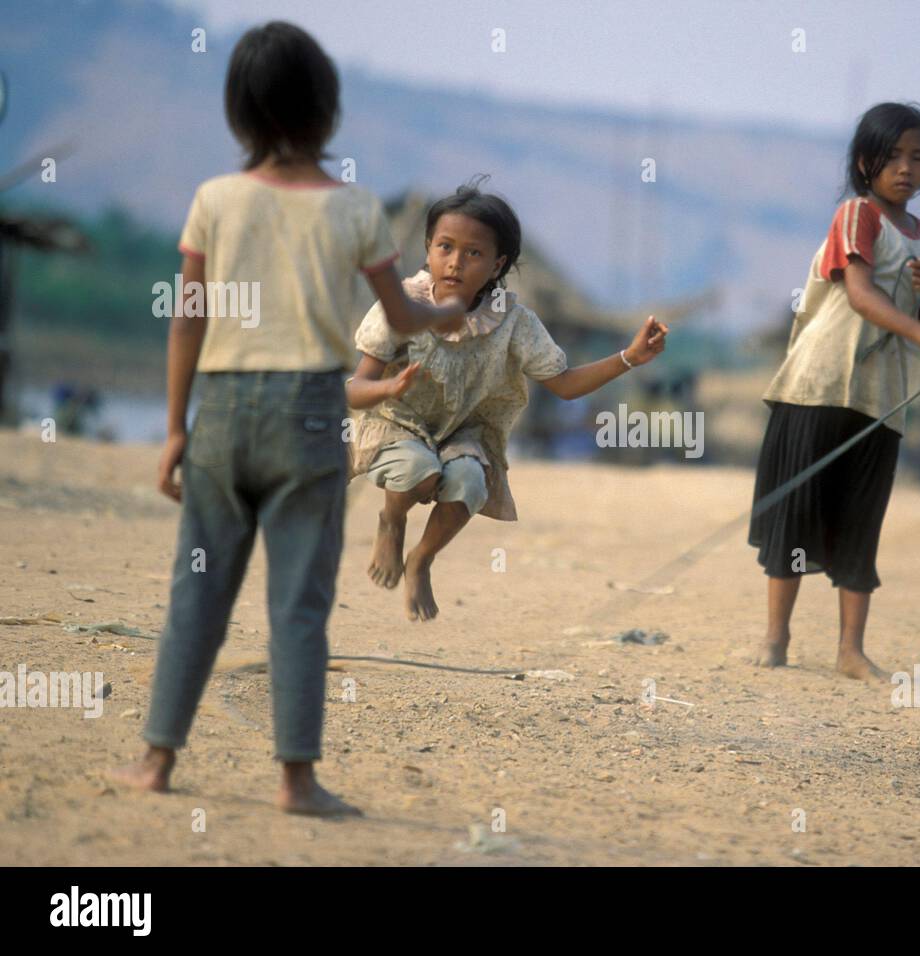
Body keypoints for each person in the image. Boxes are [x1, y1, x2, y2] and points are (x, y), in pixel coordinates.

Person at [111, 21, 468, 816]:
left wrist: (174, 429)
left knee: (195, 595)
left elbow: (187, 319)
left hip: (224, 413)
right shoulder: (355, 209)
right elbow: (400, 315)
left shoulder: (215, 200)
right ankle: (296, 780)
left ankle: (156, 762)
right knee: (298, 604)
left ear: (240, 112)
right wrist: (446, 314)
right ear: (327, 111)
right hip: (309, 413)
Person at [346, 178, 669, 621]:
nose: (455, 262)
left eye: (473, 253)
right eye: (445, 247)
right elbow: (354, 389)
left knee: (469, 483)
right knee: (419, 471)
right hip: (396, 423)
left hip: (464, 431)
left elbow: (565, 383)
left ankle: (421, 559)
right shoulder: (401, 306)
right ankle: (392, 520)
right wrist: (387, 388)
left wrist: (629, 358)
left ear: (497, 265)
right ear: (427, 249)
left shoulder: (514, 322)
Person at [749, 102, 920, 679]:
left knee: (860, 516)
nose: (905, 168)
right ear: (865, 162)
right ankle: (776, 637)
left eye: (917, 158)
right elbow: (861, 295)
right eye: (891, 156)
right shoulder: (858, 215)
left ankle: (850, 650)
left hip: (879, 397)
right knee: (797, 512)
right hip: (820, 383)